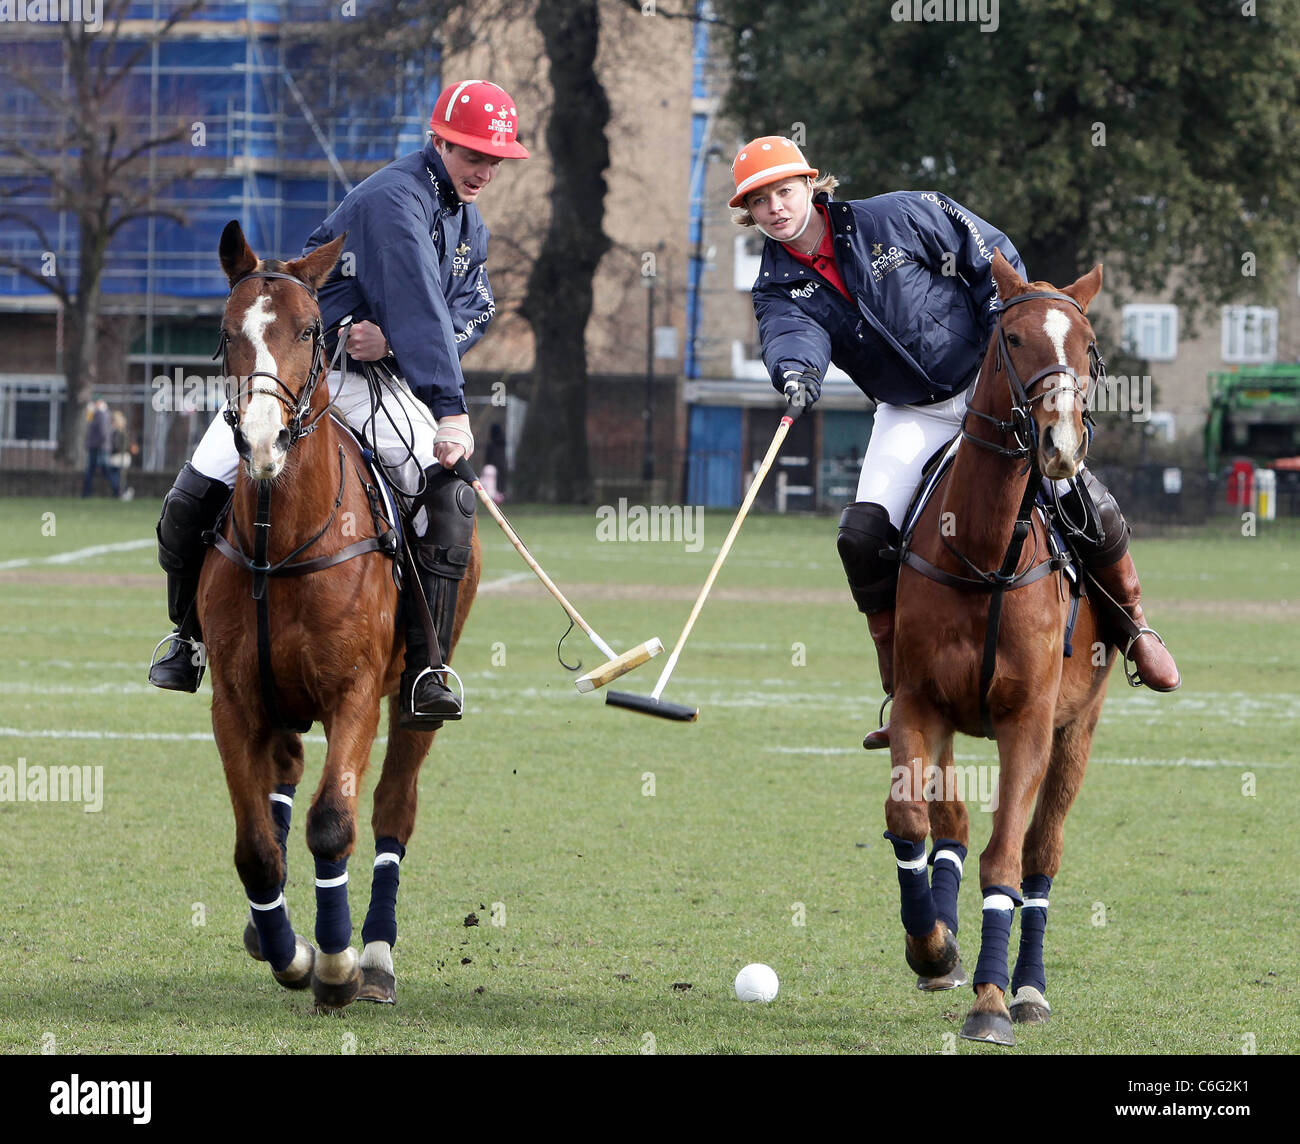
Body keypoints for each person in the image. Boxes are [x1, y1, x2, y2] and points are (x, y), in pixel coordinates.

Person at [728, 136, 1180, 749]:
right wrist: (796, 372)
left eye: (784, 191)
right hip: (911, 412)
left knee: (1077, 494)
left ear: (811, 186)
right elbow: (790, 334)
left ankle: (1135, 628)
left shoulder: (898, 215)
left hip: (988, 385)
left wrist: (1006, 337)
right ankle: (900, 686)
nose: (776, 207)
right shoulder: (778, 287)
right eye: (760, 201)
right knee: (862, 535)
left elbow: (987, 255)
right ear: (748, 213)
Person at [148, 79, 530, 727]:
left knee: (448, 500)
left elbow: (472, 308)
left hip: (387, 383)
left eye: (495, 158)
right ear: (437, 141)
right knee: (192, 493)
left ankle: (425, 667)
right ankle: (186, 638)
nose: (484, 169)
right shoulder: (393, 200)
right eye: (471, 154)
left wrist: (396, 343)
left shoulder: (471, 225)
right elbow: (415, 300)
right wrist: (449, 406)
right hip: (316, 375)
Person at [81, 399, 119, 498]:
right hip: (99, 447)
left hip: (99, 448)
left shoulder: (100, 414)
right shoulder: (100, 414)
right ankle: (86, 493)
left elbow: (103, 433)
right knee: (94, 471)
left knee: (104, 470)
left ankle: (117, 490)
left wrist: (98, 444)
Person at [109, 409, 135, 500]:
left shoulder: (118, 432)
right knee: (119, 477)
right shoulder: (125, 431)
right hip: (122, 457)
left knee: (114, 475)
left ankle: (124, 491)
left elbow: (118, 446)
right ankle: (123, 492)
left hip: (120, 457)